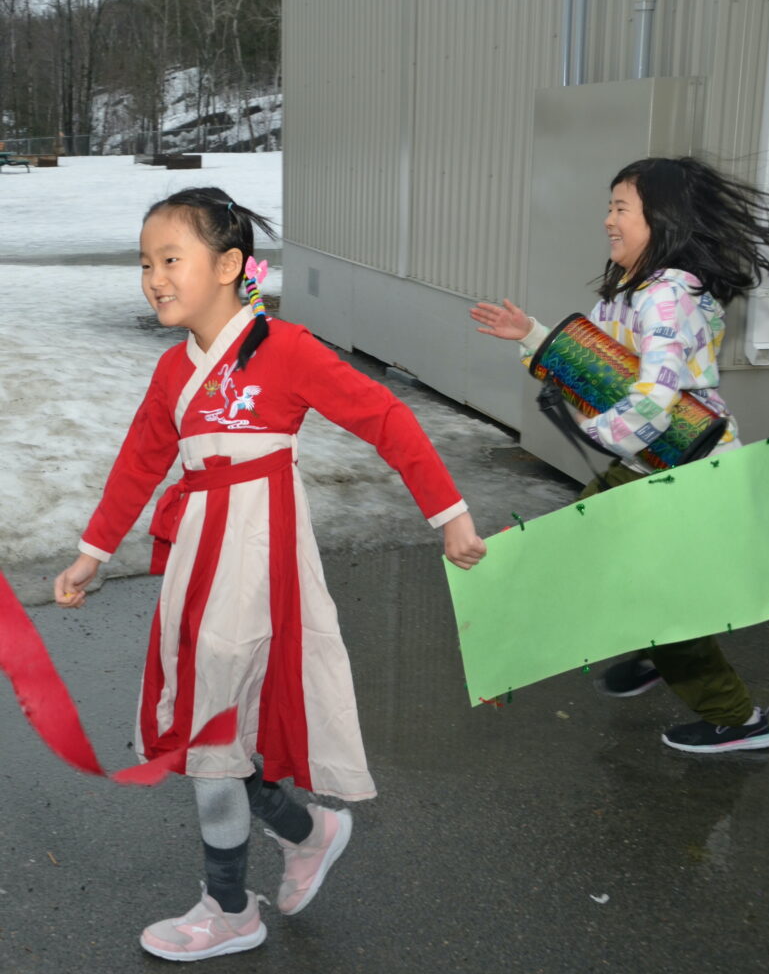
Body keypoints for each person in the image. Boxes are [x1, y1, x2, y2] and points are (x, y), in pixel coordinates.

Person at [54, 186, 486, 961]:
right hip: (199, 562)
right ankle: (306, 830)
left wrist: (447, 512)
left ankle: (229, 909)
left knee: (213, 727)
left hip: (257, 559)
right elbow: (139, 463)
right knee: (212, 725)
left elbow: (384, 417)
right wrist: (93, 552)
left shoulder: (284, 349)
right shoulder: (173, 371)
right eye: (145, 263)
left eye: (171, 259)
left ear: (228, 266)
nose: (154, 278)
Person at [471, 156, 769, 755]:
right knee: (594, 553)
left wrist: (604, 432)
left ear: (663, 219)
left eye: (621, 208)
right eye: (610, 207)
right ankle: (655, 646)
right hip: (649, 464)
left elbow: (657, 394)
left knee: (656, 595)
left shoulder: (668, 296)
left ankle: (738, 720)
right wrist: (532, 335)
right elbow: (598, 360)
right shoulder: (636, 289)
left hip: (685, 471)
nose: (608, 219)